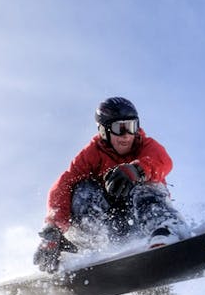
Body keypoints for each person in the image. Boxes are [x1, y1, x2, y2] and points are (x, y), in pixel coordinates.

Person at [33, 96, 187, 272]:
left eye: (131, 127)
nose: (127, 135)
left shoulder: (146, 145)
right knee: (83, 189)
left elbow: (162, 161)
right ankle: (88, 253)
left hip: (141, 219)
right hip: (109, 227)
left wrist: (137, 170)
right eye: (119, 128)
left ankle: (167, 230)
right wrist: (53, 229)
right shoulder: (91, 155)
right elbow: (64, 185)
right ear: (104, 131)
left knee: (145, 184)